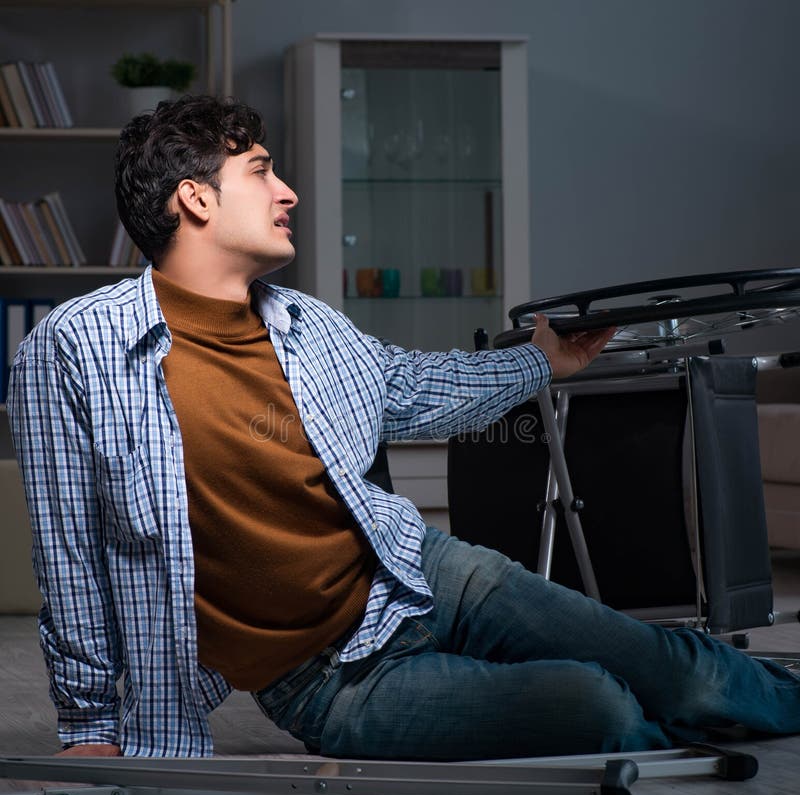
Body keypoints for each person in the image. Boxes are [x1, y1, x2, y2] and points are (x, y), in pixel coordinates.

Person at [8, 95, 800, 761]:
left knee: (680, 672)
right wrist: (89, 725)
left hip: (420, 570)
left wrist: (543, 362)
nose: (286, 192)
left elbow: (418, 386)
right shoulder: (75, 348)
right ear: (195, 198)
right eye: (261, 172)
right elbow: (68, 548)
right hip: (326, 681)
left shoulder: (309, 326)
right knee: (602, 711)